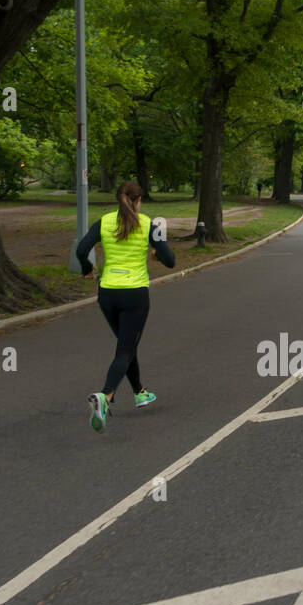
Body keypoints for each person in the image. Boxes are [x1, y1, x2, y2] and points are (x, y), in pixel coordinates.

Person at [74, 180, 176, 432]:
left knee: (126, 345)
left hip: (107, 294)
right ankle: (105, 396)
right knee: (125, 350)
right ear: (139, 200)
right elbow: (171, 260)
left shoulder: (104, 222)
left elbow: (81, 249)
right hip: (134, 294)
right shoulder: (148, 225)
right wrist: (155, 255)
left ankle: (139, 392)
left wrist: (88, 270)